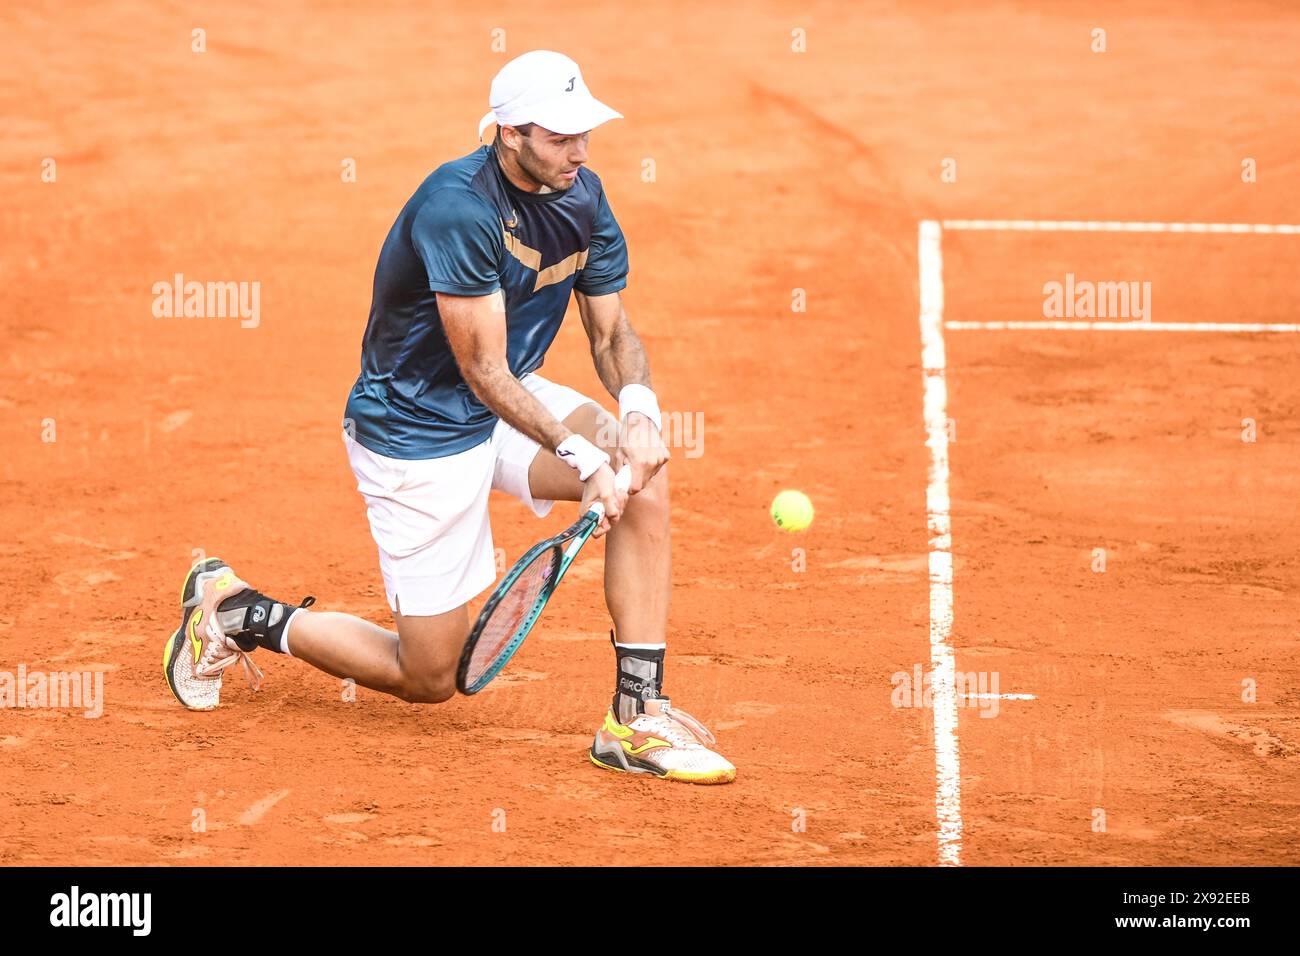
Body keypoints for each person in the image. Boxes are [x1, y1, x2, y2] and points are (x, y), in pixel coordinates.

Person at [162, 50, 735, 785]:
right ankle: (237, 612)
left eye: (583, 133)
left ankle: (636, 718)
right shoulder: (458, 207)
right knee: (428, 676)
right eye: (559, 138)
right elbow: (482, 369)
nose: (580, 152)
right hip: (417, 433)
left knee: (645, 477)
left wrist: (641, 413)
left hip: (509, 406)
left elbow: (611, 334)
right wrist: (588, 462)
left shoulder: (583, 196)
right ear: (508, 132)